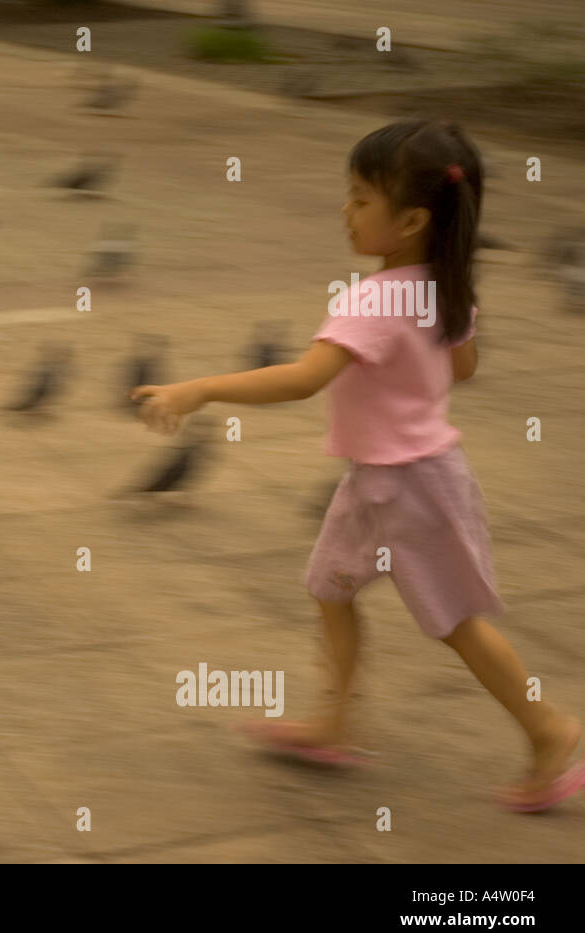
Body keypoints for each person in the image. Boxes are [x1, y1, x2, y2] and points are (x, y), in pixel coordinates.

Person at [131, 119, 584, 812]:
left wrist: (201, 388)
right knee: (330, 587)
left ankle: (548, 730)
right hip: (387, 479)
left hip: (410, 488)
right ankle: (335, 720)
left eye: (359, 199)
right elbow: (461, 365)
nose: (345, 210)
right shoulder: (445, 284)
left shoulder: (371, 300)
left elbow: (303, 379)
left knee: (458, 622)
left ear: (410, 219)